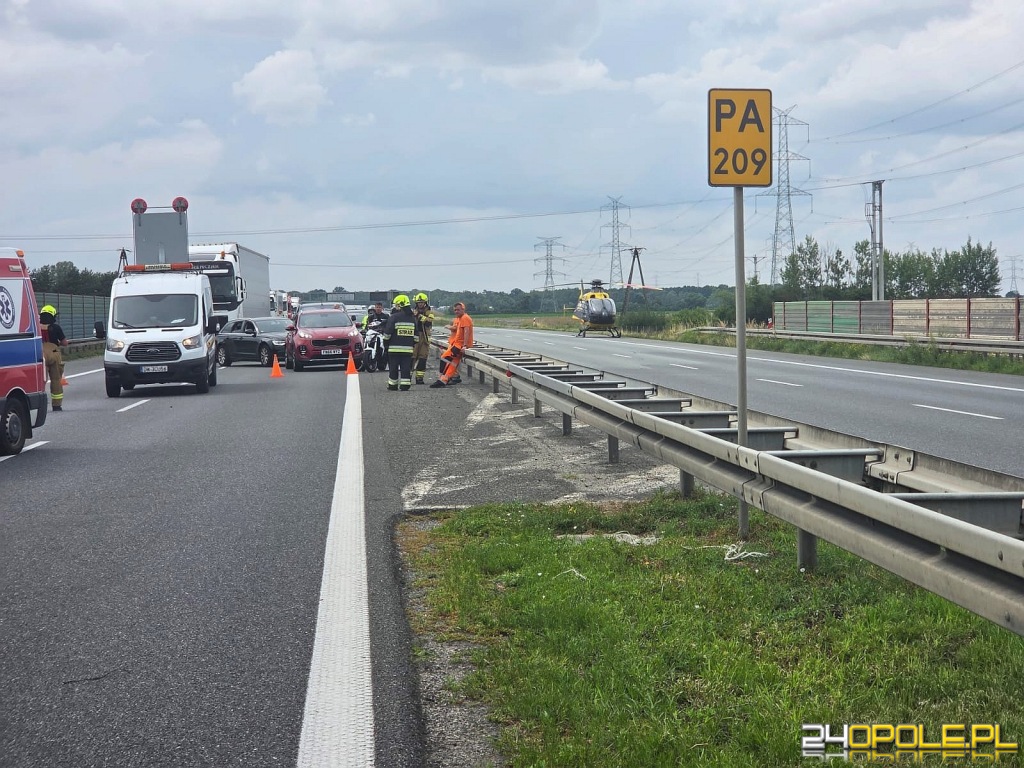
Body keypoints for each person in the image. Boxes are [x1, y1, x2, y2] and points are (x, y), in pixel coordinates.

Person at [431, 302, 473, 388]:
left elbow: (466, 331)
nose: (456, 311)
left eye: (458, 310)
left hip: (459, 345)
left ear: (463, 309)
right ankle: (444, 380)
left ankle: (442, 378)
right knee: (453, 363)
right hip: (457, 344)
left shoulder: (465, 318)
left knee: (444, 358)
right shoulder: (460, 318)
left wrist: (464, 345)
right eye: (455, 310)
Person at [381, 295, 417, 391]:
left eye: (396, 305)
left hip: (394, 349)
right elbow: (416, 337)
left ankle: (393, 385)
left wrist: (386, 343)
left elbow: (387, 333)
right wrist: (411, 343)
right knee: (405, 368)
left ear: (400, 305)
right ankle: (405, 385)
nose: (395, 307)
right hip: (408, 349)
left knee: (393, 367)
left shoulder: (394, 317)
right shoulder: (412, 318)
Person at [39, 304, 69, 411]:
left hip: (40, 353)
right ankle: (56, 405)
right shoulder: (56, 327)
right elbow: (64, 342)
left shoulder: (36, 326)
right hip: (54, 351)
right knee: (56, 379)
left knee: (40, 379)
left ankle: (39, 403)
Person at [411, 292, 435, 385]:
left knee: (423, 358)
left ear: (425, 303)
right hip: (414, 337)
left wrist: (419, 316)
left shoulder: (429, 312)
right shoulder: (412, 312)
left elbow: (429, 321)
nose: (420, 304)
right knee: (412, 357)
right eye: (418, 302)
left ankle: (419, 378)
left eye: (422, 302)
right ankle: (407, 376)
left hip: (424, 338)